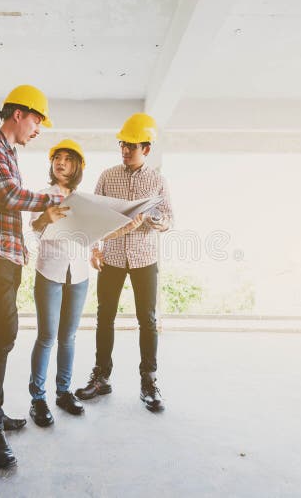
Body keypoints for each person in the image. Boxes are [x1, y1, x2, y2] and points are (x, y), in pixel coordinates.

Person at [0, 84, 68, 468]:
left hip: (6, 254)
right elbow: (10, 195)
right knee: (6, 332)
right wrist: (55, 199)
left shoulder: (8, 153)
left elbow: (12, 200)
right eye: (38, 120)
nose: (38, 129)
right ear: (19, 114)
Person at [75, 113, 173, 412]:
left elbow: (169, 219)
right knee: (105, 316)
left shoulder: (157, 181)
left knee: (148, 320)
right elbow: (93, 217)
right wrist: (94, 249)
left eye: (131, 146)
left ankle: (149, 381)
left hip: (144, 258)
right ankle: (101, 377)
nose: (125, 151)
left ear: (146, 148)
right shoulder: (107, 176)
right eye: (122, 145)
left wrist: (153, 219)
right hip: (113, 257)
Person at [27, 139, 89, 427]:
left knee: (69, 337)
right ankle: (38, 399)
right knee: (47, 336)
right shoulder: (42, 196)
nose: (60, 162)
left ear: (77, 166)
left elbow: (90, 234)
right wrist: (44, 218)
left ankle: (63, 393)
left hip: (79, 273)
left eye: (67, 158)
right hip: (49, 271)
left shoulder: (84, 200)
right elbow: (33, 231)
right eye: (57, 158)